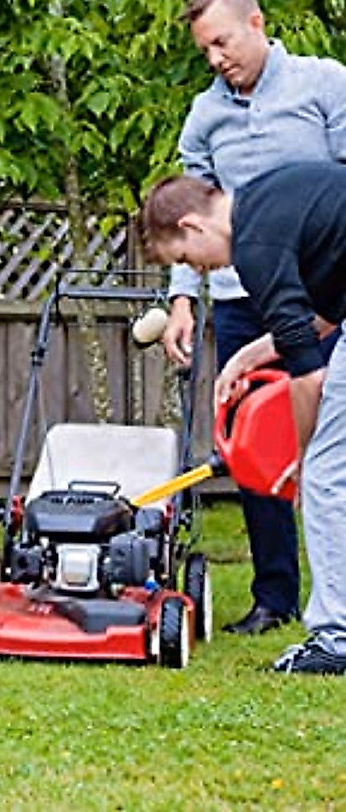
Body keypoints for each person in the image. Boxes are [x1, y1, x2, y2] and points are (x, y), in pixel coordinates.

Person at [160, 0, 346, 635]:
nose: (216, 59)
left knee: (327, 439)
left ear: (257, 23)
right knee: (253, 445)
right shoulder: (204, 115)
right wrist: (182, 299)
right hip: (243, 294)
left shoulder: (325, 83)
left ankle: (336, 600)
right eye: (205, 51)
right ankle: (276, 597)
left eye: (223, 42)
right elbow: (188, 216)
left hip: (320, 285)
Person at [140, 165, 346, 675]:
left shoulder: (255, 245)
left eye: (186, 259)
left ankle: (335, 639)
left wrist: (303, 462)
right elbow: (322, 317)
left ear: (192, 226)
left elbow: (308, 377)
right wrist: (244, 359)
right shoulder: (267, 201)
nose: (199, 270)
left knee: (327, 474)